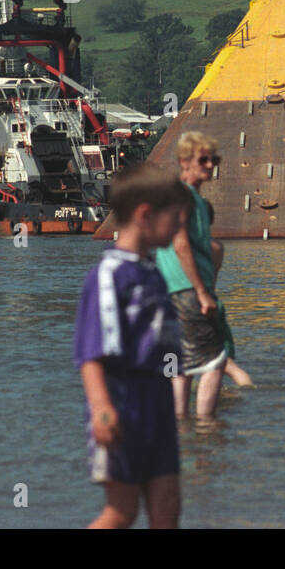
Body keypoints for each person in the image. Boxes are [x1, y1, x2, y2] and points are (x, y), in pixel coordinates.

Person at [73, 164, 191, 529]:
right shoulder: (110, 275)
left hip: (158, 401)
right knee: (122, 512)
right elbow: (91, 352)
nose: (179, 227)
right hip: (123, 401)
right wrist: (102, 408)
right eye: (175, 218)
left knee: (167, 508)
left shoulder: (152, 271)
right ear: (145, 215)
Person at [155, 131, 227, 418]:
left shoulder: (184, 196)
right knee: (215, 361)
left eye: (214, 160)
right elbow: (180, 242)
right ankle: (206, 428)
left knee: (182, 366)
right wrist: (201, 291)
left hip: (171, 292)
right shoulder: (184, 196)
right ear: (184, 161)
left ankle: (181, 429)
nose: (210, 165)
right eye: (204, 160)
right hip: (186, 291)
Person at [204, 199, 254, 388]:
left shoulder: (189, 249)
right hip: (214, 304)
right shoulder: (217, 247)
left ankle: (181, 409)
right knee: (224, 364)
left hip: (196, 307)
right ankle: (245, 392)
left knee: (178, 365)